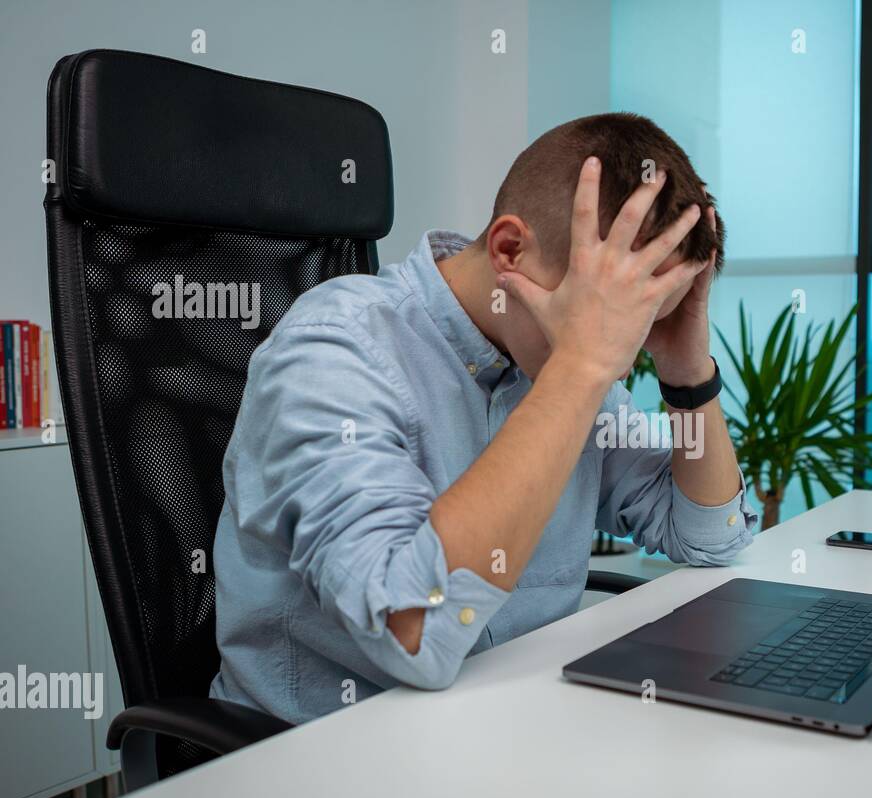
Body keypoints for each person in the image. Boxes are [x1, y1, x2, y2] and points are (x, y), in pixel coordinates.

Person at [211, 113, 757, 723]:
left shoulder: (562, 361)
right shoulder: (335, 352)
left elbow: (711, 536)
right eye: (616, 316)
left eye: (644, 320)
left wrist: (685, 369)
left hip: (517, 725)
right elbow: (415, 633)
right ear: (509, 251)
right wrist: (581, 364)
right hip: (330, 756)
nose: (626, 357)